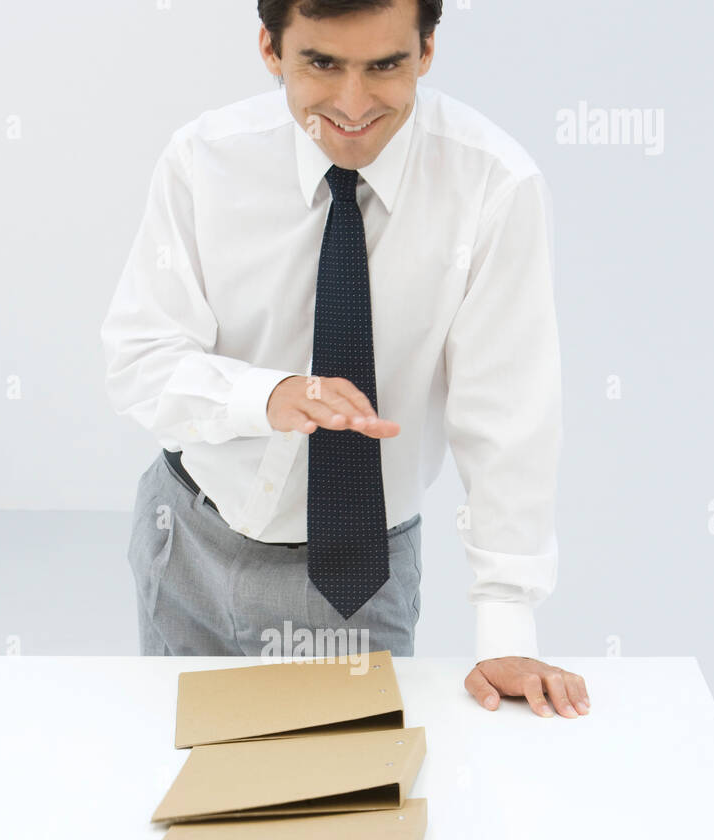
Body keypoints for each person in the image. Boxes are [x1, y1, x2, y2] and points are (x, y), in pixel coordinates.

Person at [101, 0, 590, 718]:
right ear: (270, 49)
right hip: (188, 544)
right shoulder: (203, 160)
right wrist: (267, 397)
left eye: (384, 65)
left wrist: (505, 627)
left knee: (343, 816)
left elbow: (507, 418)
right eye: (321, 64)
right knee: (191, 796)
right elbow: (138, 357)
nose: (353, 104)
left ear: (425, 52)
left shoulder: (492, 186)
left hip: (353, 576)